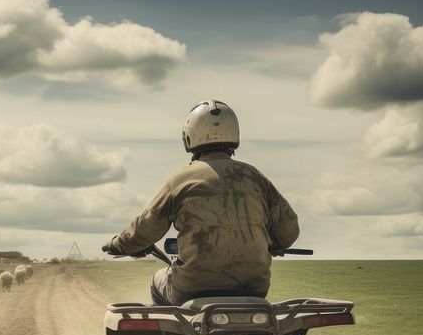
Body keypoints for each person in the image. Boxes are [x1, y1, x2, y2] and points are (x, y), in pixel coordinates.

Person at [102, 100, 299, 306]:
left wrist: (120, 244)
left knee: (156, 281)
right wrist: (273, 244)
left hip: (191, 287)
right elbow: (289, 231)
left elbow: (145, 227)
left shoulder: (180, 179)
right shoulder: (255, 177)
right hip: (254, 287)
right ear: (234, 134)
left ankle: (169, 328)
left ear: (189, 136)